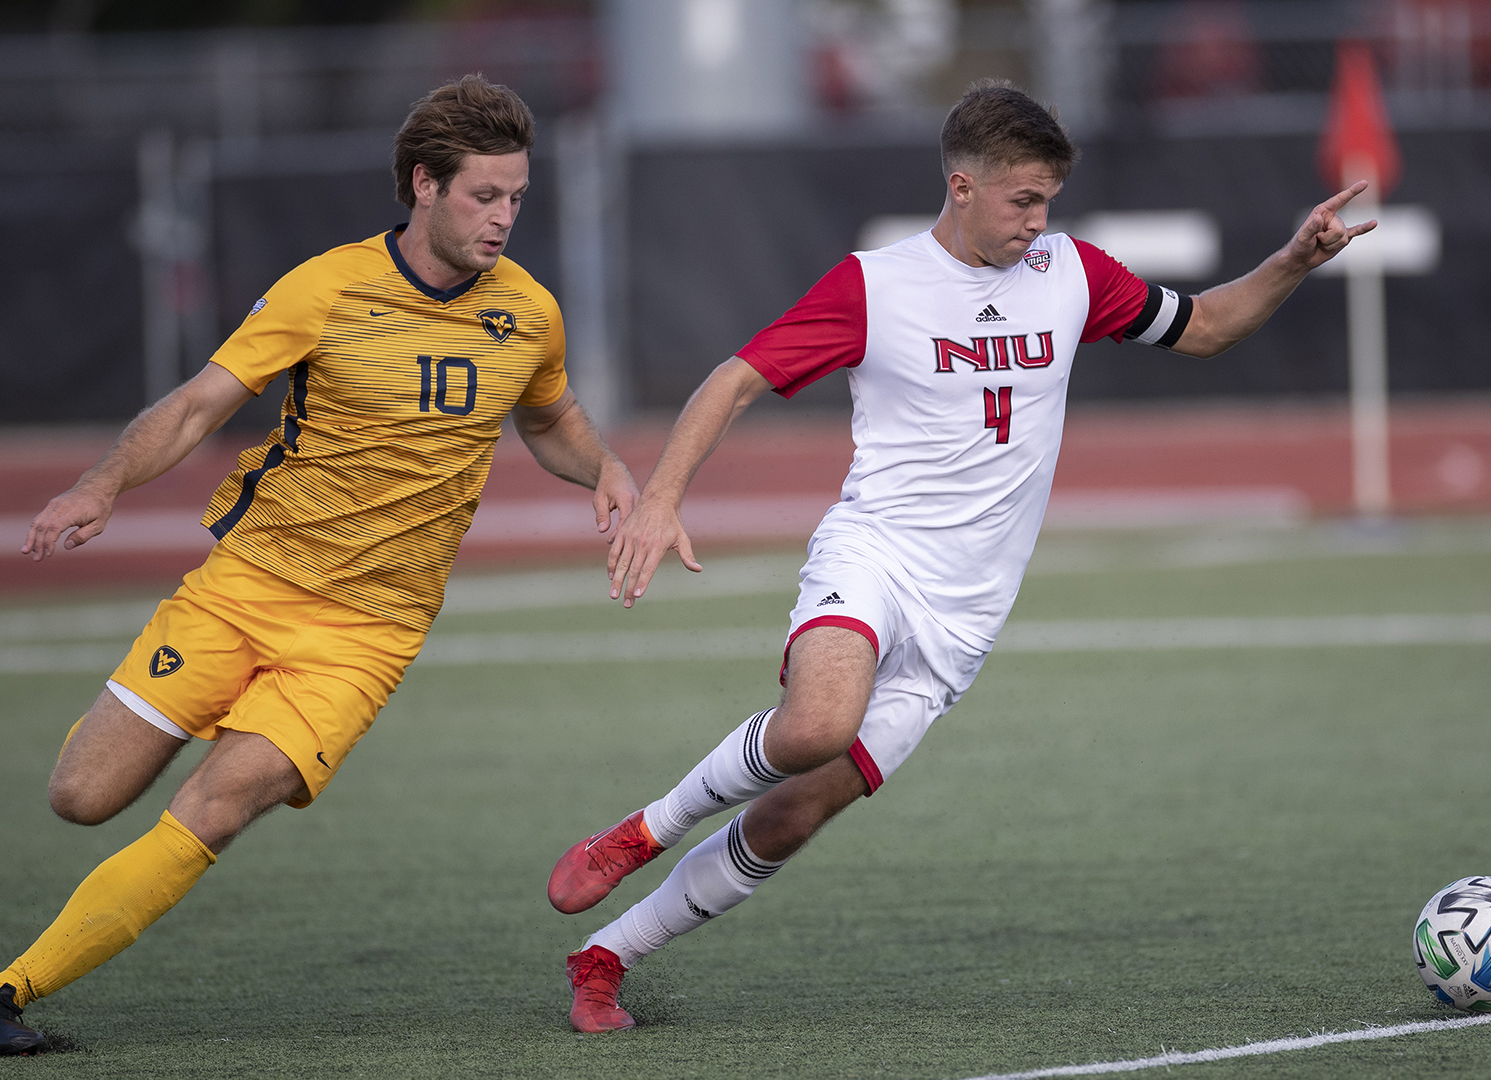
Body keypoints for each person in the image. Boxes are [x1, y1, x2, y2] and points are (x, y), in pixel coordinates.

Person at [546, 80, 1375, 1034]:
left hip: (964, 619)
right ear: (961, 186)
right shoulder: (876, 284)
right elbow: (735, 380)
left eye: (1048, 201)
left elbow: (1207, 327)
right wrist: (660, 499)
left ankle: (607, 956)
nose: (1038, 221)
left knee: (793, 816)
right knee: (817, 722)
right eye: (1023, 200)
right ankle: (642, 830)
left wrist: (1295, 260)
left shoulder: (1073, 271)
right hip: (876, 554)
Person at [0, 74, 645, 1055]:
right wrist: (99, 486)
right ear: (424, 184)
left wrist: (604, 470)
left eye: (517, 195)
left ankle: (10, 991)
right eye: (485, 194)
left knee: (212, 810)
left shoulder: (529, 314)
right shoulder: (326, 287)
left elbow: (550, 417)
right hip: (244, 588)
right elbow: (194, 408)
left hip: (366, 640)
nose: (505, 216)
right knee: (81, 797)